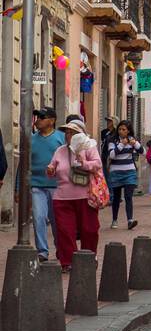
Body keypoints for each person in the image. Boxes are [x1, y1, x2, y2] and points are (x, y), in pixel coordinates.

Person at [47, 118, 103, 272]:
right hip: (62, 198)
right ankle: (68, 262)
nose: (68, 135)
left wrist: (84, 163)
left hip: (86, 196)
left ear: (81, 134)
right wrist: (50, 170)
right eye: (67, 132)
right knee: (65, 231)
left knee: (89, 229)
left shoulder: (89, 148)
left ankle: (88, 257)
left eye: (73, 132)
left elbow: (97, 164)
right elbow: (52, 167)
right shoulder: (60, 150)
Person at [31, 107, 63, 262]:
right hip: (36, 185)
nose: (37, 120)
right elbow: (23, 164)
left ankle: (60, 247)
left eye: (41, 117)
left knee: (57, 221)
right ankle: (42, 251)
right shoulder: (31, 139)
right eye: (37, 117)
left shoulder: (61, 138)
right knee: (38, 217)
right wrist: (18, 188)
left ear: (52, 120)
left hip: (57, 187)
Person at [106, 121, 144, 229]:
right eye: (120, 129)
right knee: (116, 198)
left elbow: (143, 151)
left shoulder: (132, 139)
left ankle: (130, 220)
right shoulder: (112, 140)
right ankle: (114, 219)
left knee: (128, 197)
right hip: (116, 172)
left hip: (130, 172)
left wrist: (135, 143)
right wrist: (122, 144)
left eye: (124, 129)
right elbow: (112, 155)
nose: (121, 131)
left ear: (128, 131)